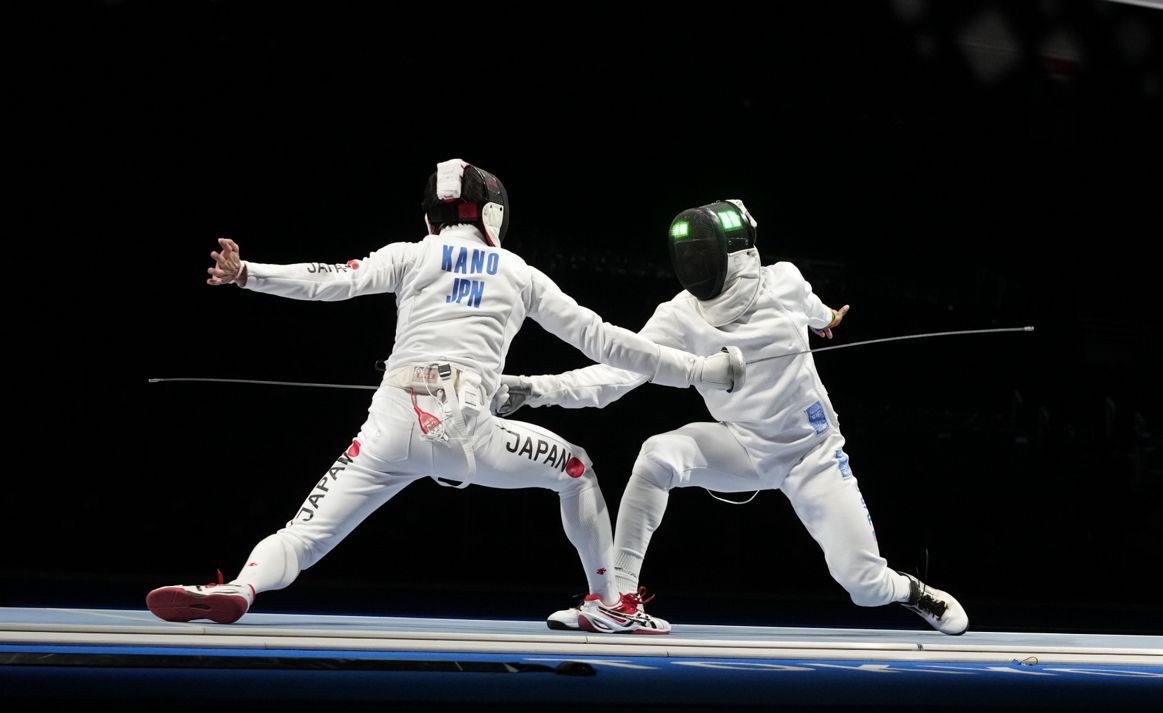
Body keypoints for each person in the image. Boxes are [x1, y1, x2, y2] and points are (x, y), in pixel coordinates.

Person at [145, 160, 745, 632]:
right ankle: (608, 602)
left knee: (303, 534)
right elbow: (608, 342)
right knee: (578, 469)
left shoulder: (410, 256)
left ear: (433, 217)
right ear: (492, 214)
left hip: (387, 430)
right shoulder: (517, 271)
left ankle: (239, 587)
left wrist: (249, 272)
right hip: (465, 430)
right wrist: (700, 368)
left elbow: (331, 280)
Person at [495, 199, 968, 635]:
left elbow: (818, 312)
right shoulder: (680, 315)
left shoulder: (784, 280)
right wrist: (537, 389)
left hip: (813, 455)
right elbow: (615, 375)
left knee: (863, 585)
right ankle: (620, 600)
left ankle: (912, 590)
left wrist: (826, 319)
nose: (696, 263)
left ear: (736, 252)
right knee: (658, 455)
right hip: (744, 447)